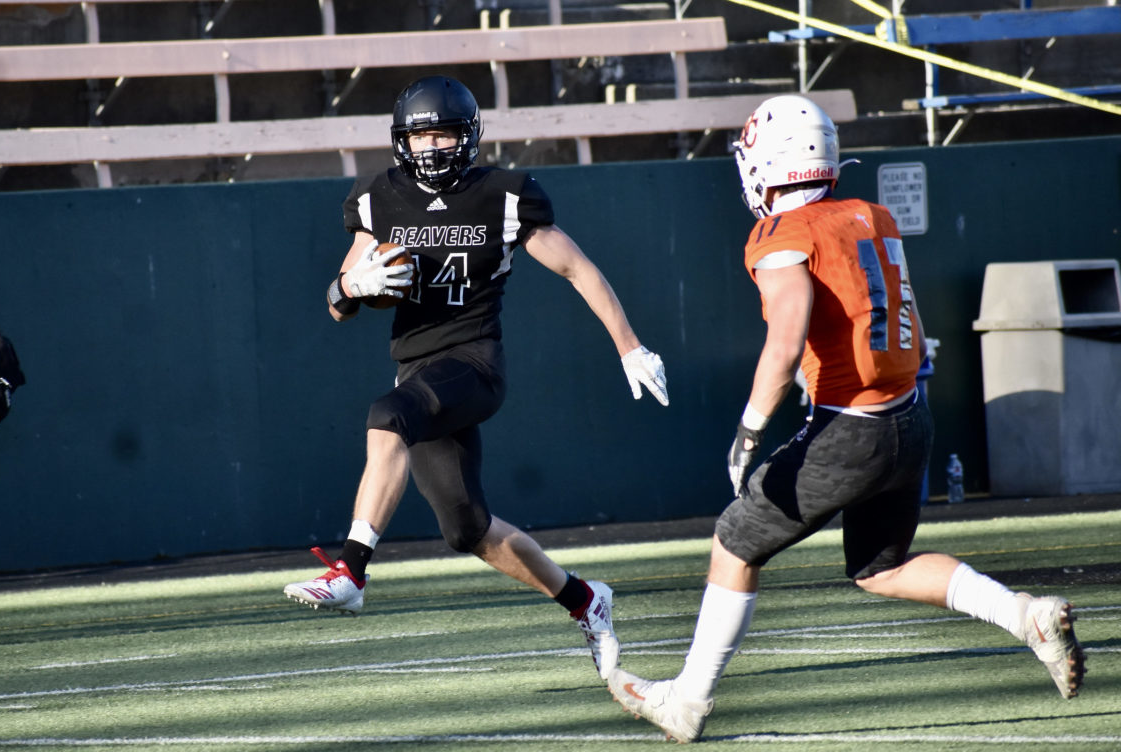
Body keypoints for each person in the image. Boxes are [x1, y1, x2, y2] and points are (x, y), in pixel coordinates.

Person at [606, 95, 1085, 742]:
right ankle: (1023, 614)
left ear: (766, 164)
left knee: (733, 541)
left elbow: (787, 334)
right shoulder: (871, 216)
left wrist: (750, 427)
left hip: (851, 427)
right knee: (879, 568)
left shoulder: (781, 235)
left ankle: (687, 701)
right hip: (911, 417)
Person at [282, 75, 669, 680]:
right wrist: (351, 286)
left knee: (387, 416)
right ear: (401, 141)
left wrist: (631, 347)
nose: (433, 146)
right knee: (467, 528)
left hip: (474, 363)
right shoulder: (376, 198)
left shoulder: (504, 194)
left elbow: (579, 270)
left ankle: (351, 570)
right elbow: (337, 303)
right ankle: (585, 600)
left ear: (470, 137)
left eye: (445, 134)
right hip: (418, 369)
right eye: (422, 135)